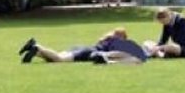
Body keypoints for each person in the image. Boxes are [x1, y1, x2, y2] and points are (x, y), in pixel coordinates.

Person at [19, 27, 149, 64]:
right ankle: (37, 46)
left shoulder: (106, 38)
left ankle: (35, 51)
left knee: (53, 59)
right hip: (86, 52)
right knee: (59, 59)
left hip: (81, 47)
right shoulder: (116, 43)